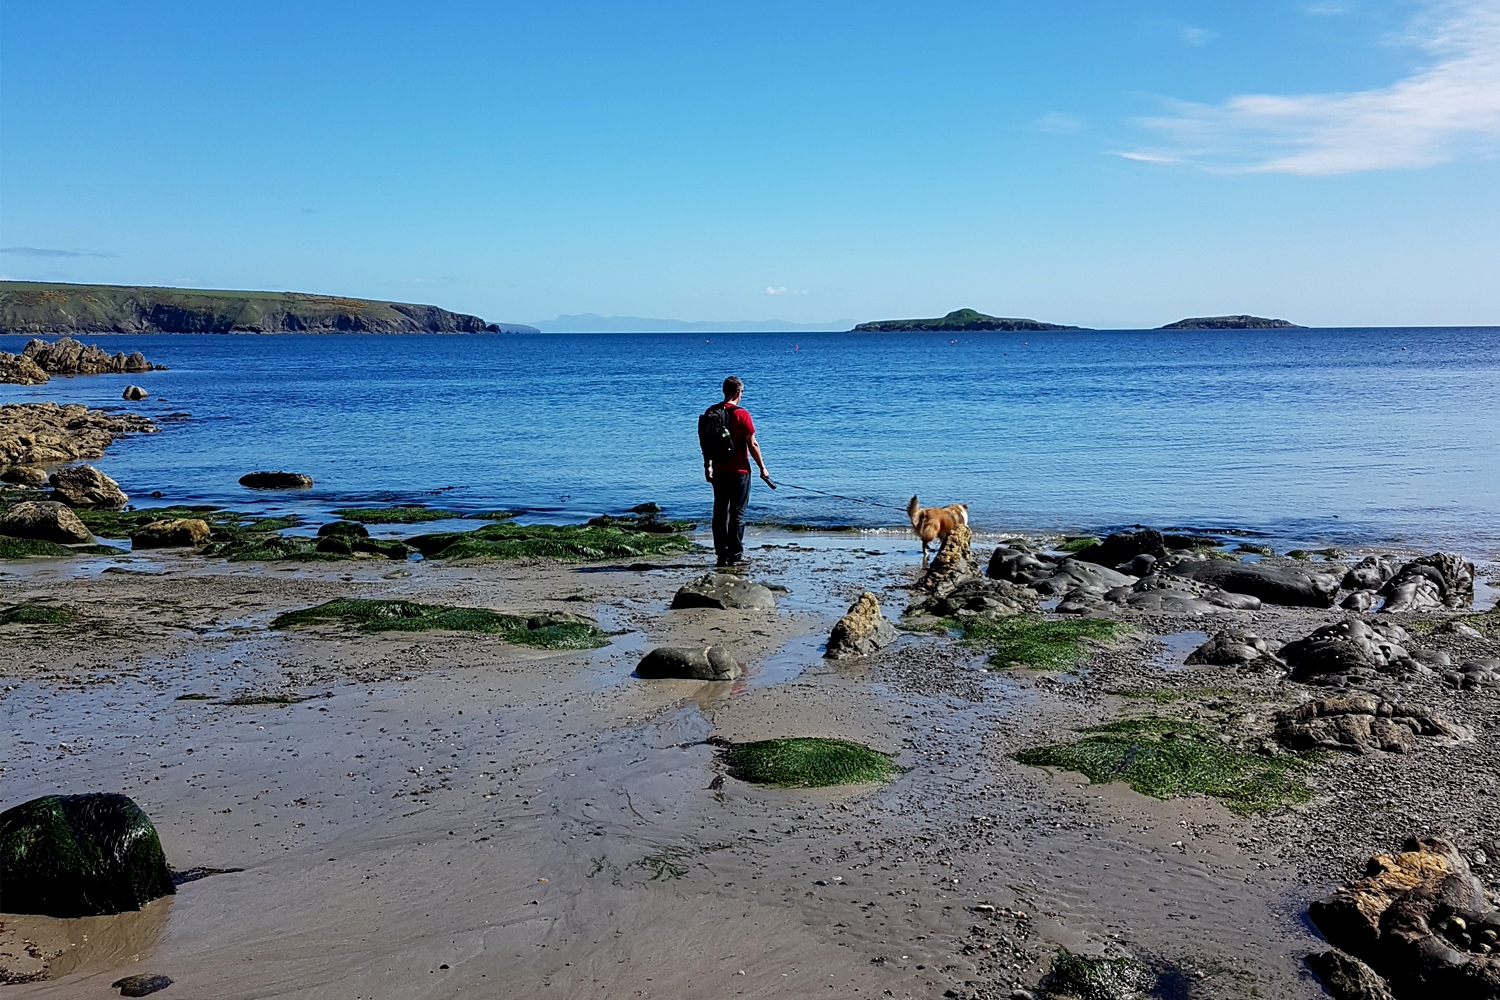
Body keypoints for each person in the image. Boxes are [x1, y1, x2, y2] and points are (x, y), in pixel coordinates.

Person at [704, 376, 773, 567]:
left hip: (719, 469)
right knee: (737, 513)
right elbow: (753, 444)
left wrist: (707, 466)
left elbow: (707, 444)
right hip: (739, 471)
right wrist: (762, 468)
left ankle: (721, 554)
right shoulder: (742, 414)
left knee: (719, 512)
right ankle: (735, 555)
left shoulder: (712, 412)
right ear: (738, 393)